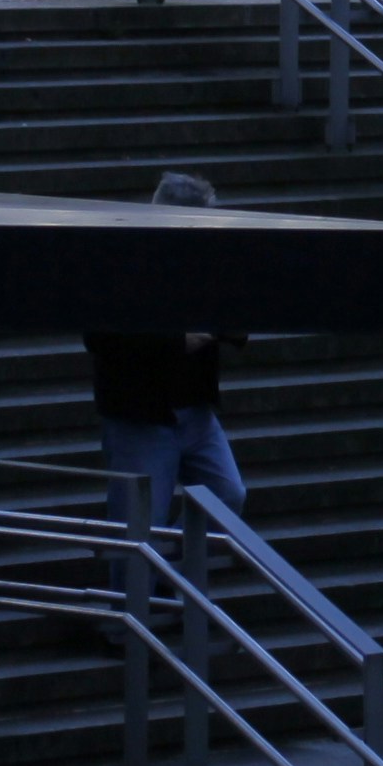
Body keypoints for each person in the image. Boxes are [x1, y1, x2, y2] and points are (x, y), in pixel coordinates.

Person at [88, 170, 247, 523]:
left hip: (192, 410)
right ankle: (149, 576)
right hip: (140, 416)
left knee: (227, 495)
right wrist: (177, 342)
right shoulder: (120, 260)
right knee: (138, 523)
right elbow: (100, 335)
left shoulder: (201, 259)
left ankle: (168, 572)